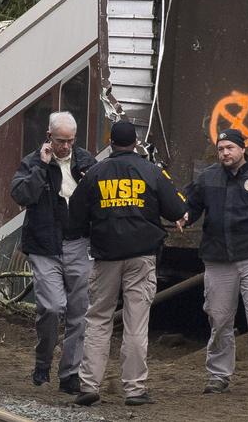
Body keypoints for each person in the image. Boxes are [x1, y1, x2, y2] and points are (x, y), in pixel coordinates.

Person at [67, 121, 188, 406]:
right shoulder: (151, 171)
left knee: (98, 320)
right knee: (136, 322)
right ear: (135, 143)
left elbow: (74, 218)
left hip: (106, 257)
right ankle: (134, 389)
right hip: (142, 256)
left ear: (110, 143)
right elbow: (177, 209)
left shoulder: (95, 173)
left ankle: (89, 385)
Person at [180, 127, 248, 396]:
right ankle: (218, 376)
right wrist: (183, 217)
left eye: (230, 148)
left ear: (243, 148)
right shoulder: (208, 178)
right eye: (221, 149)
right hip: (218, 259)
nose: (225, 153)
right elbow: (190, 206)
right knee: (219, 318)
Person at [9, 111, 97, 393]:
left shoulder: (85, 161)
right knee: (51, 307)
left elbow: (100, 197)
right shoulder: (32, 162)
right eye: (60, 141)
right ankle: (43, 362)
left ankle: (70, 373)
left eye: (70, 140)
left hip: (78, 243)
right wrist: (42, 166)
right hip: (44, 245)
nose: (66, 146)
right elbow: (22, 195)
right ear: (49, 136)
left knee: (79, 312)